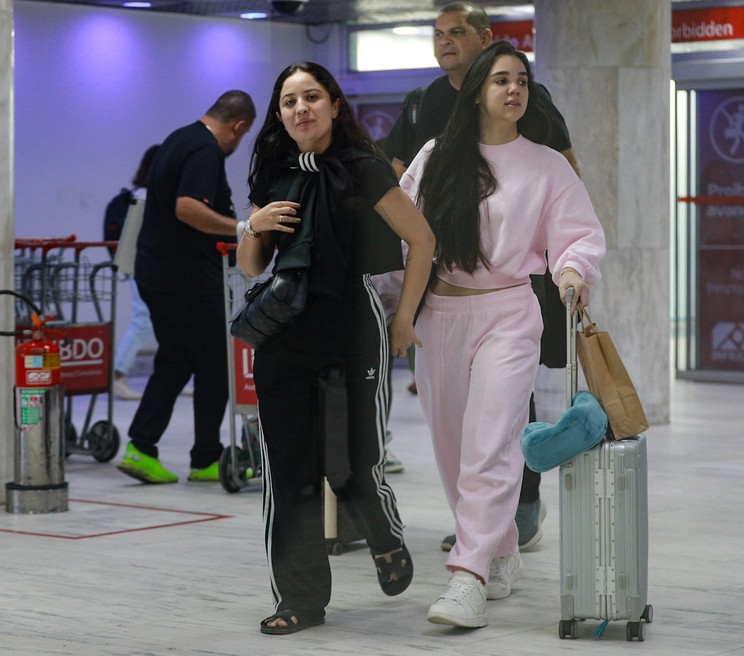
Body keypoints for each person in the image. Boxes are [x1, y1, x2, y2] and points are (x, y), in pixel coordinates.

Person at [401, 41, 605, 628]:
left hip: (510, 313)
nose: (514, 89)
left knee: (490, 444)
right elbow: (404, 233)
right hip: (439, 314)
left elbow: (579, 233)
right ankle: (500, 550)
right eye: (500, 80)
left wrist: (573, 270)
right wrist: (396, 308)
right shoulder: (436, 156)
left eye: (521, 80)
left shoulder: (546, 165)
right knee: (452, 450)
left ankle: (467, 575)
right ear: (477, 93)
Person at [237, 61, 434, 635]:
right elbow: (252, 266)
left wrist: (404, 320)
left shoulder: (364, 168)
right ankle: (299, 599)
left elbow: (422, 240)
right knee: (289, 472)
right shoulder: (274, 172)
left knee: (353, 462)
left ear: (334, 105)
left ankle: (383, 533)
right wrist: (253, 224)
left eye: (312, 97)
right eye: (289, 101)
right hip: (285, 335)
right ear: (280, 114)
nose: (301, 109)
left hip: (351, 330)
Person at [384, 0, 579, 552]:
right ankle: (486, 531)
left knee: (502, 416)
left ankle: (505, 526)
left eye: (457, 32)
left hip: (512, 290)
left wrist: (564, 259)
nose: (445, 41)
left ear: (484, 36)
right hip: (443, 296)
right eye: (438, 33)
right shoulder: (425, 107)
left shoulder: (530, 117)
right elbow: (398, 181)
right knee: (455, 432)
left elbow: (565, 176)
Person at [116, 91, 256, 484]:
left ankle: (141, 448)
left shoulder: (178, 138)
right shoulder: (206, 150)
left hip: (158, 271)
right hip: (186, 277)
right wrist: (242, 228)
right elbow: (188, 207)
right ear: (239, 126)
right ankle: (205, 458)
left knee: (176, 359)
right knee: (215, 362)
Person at [107, 144, 159, 401]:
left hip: (150, 268)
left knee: (162, 323)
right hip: (146, 268)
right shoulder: (146, 197)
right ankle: (117, 376)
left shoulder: (143, 195)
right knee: (144, 321)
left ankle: (172, 376)